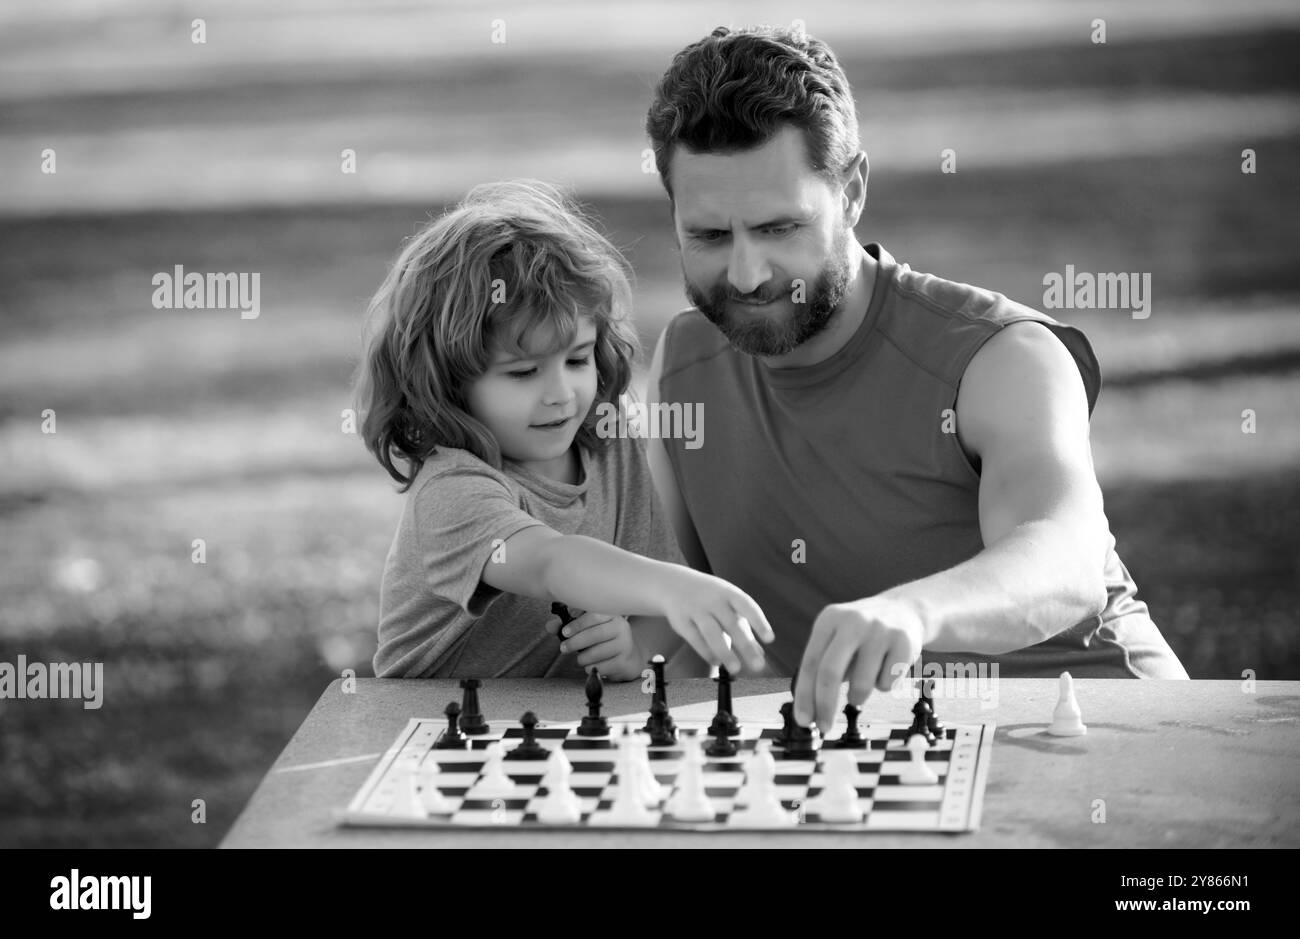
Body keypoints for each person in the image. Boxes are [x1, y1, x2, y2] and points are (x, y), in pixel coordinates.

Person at [641, 26, 1190, 731]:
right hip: (877, 769)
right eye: (710, 236)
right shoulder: (683, 366)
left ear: (853, 192)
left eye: (779, 228)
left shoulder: (1000, 355)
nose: (747, 275)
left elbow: (1065, 558)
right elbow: (667, 624)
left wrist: (912, 610)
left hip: (1104, 732)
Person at [354, 180, 772, 681]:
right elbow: (551, 563)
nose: (561, 394)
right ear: (448, 380)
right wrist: (674, 587)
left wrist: (635, 648)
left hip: (553, 736)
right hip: (426, 736)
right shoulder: (451, 492)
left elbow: (659, 592)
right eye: (523, 372)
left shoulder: (612, 449)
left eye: (577, 360)